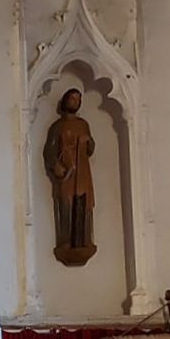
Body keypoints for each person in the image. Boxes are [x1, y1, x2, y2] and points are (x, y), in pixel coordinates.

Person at [43, 87, 97, 264]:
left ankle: (85, 239)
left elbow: (90, 149)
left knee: (83, 202)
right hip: (67, 171)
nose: (75, 102)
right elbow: (49, 151)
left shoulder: (83, 125)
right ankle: (66, 240)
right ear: (65, 101)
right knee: (66, 203)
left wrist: (87, 141)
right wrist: (57, 166)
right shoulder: (57, 127)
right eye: (72, 98)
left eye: (77, 99)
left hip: (82, 171)